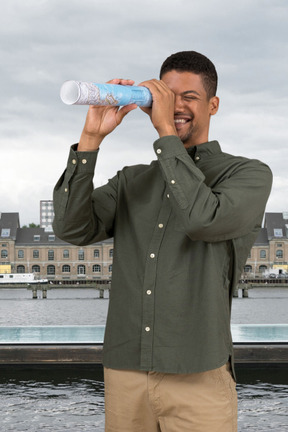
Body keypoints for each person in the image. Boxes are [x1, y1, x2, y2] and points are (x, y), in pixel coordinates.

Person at [53, 51, 272, 431]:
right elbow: (72, 229)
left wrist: (166, 134)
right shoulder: (132, 181)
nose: (175, 105)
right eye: (166, 95)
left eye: (188, 96)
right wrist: (90, 139)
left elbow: (204, 219)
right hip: (126, 371)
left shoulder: (248, 174)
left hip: (199, 371)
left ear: (213, 105)